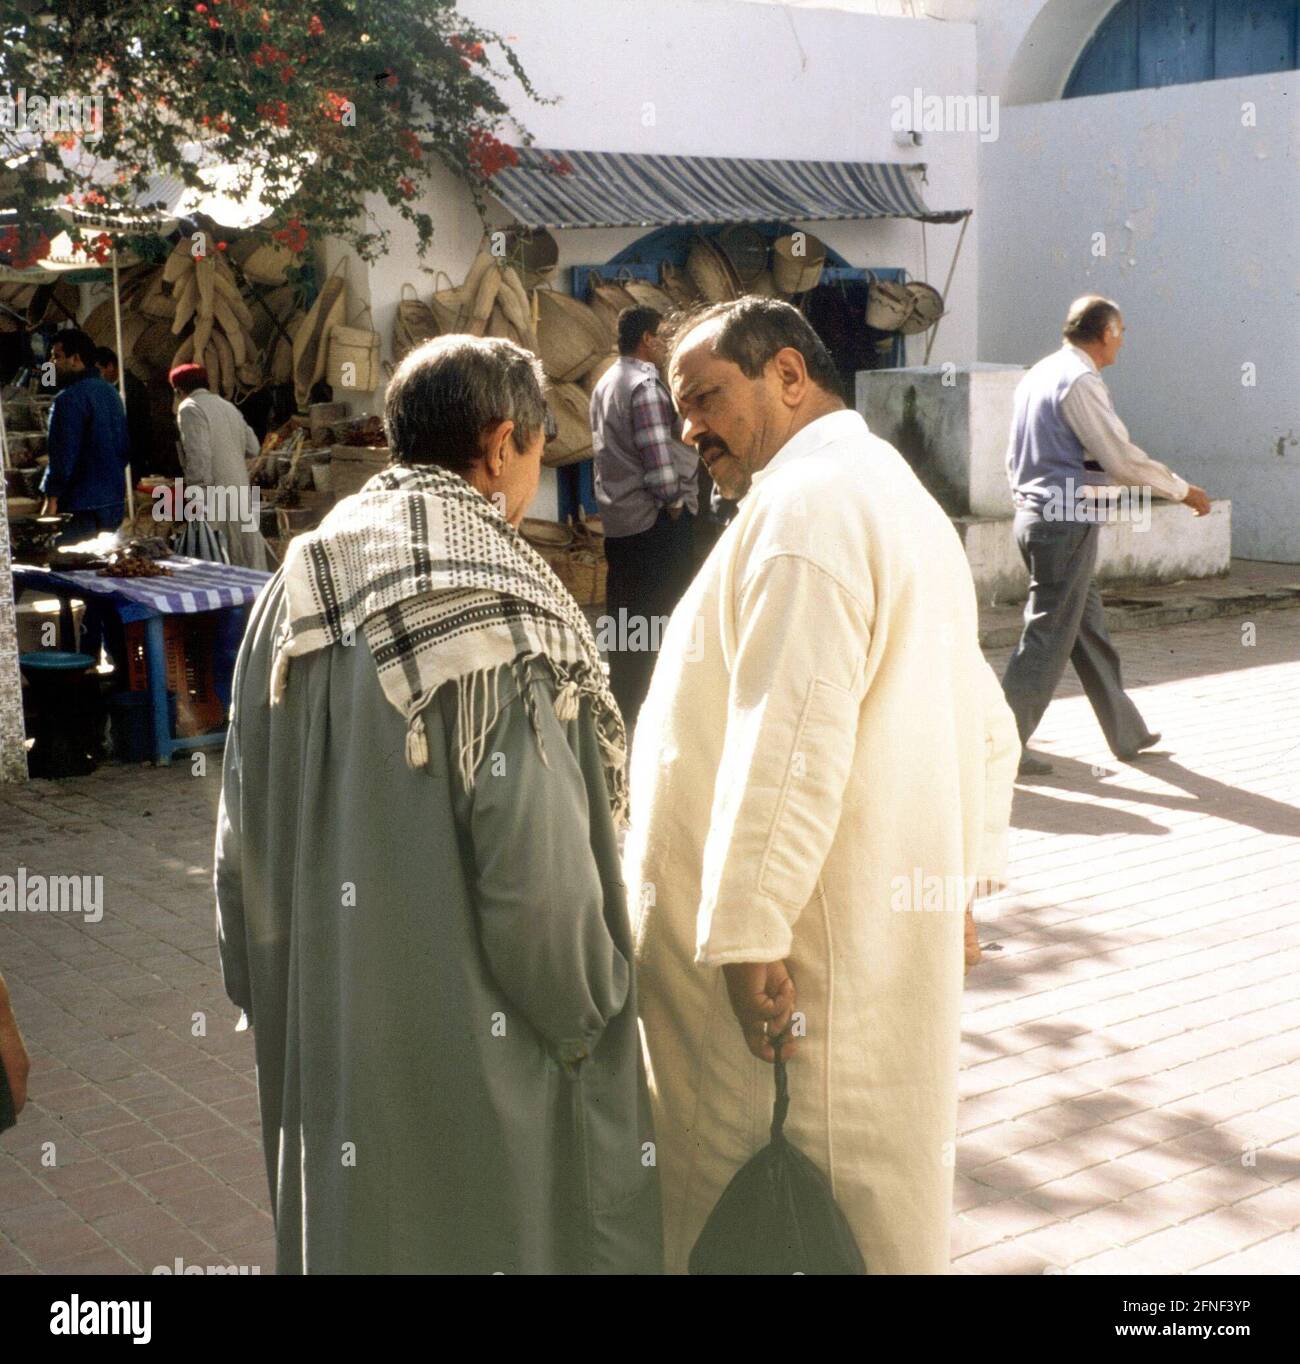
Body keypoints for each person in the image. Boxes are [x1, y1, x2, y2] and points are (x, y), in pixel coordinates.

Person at [214, 335, 661, 1274]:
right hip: (473, 1073)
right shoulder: (496, 605)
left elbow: (238, 840)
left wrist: (279, 993)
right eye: (540, 452)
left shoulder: (298, 582)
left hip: (331, 1037)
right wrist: (596, 1016)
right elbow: (542, 898)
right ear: (500, 446)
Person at [625, 299, 1020, 1274]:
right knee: (865, 1219)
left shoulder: (806, 508)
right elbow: (986, 723)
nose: (689, 429)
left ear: (790, 376)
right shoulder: (885, 491)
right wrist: (965, 878)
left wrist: (748, 930)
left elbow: (789, 733)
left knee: (777, 1214)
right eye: (680, 408)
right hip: (871, 939)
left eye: (708, 398)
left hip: (792, 982)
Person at [1002, 296, 1212, 775]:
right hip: (1063, 521)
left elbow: (1012, 455)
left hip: (1040, 516)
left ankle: (1126, 731)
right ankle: (998, 745)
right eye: (1121, 332)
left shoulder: (1038, 374)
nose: (1122, 341)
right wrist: (1181, 490)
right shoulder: (1079, 381)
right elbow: (1118, 457)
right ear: (1106, 333)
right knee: (1048, 635)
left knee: (1085, 627)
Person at [589, 305, 699, 733]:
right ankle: (657, 714)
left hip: (619, 521)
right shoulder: (645, 386)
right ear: (647, 340)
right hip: (654, 523)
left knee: (625, 618)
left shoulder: (605, 382)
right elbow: (657, 461)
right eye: (663, 336)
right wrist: (674, 503)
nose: (667, 344)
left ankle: (623, 708)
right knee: (662, 619)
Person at [168, 364, 271, 570]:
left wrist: (195, 494)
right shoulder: (228, 406)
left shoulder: (189, 408)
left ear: (178, 390)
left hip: (214, 493)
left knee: (220, 557)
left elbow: (199, 458)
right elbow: (254, 447)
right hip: (240, 488)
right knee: (246, 552)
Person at [39, 328, 130, 543]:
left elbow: (62, 456)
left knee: (73, 571)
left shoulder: (68, 399)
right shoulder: (112, 394)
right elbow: (124, 449)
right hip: (113, 503)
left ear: (76, 359)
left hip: (79, 509)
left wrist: (52, 498)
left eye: (57, 356)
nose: (52, 364)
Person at [95, 346, 157, 478]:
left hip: (133, 457)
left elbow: (132, 425)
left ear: (110, 366)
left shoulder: (130, 387)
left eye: (98, 371)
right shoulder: (106, 387)